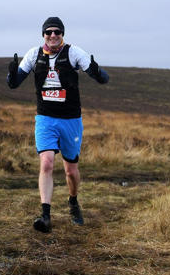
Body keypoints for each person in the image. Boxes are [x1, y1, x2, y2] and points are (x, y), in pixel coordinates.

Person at [7, 17, 109, 233]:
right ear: (43, 34)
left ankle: (73, 201)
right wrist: (11, 74)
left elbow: (101, 78)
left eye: (57, 32)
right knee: (46, 163)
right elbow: (15, 83)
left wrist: (97, 72)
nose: (53, 36)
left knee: (70, 171)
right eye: (48, 32)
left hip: (71, 120)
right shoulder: (34, 54)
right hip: (45, 118)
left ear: (63, 34)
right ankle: (45, 215)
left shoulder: (73, 53)